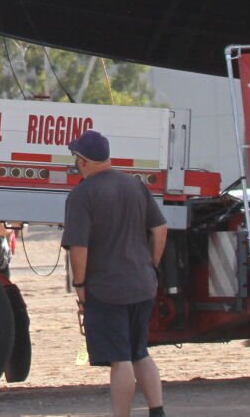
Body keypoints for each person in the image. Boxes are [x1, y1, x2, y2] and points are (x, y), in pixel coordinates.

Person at [61, 130, 168, 417]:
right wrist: (152, 266)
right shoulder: (135, 186)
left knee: (120, 360)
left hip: (107, 289)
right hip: (142, 283)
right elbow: (159, 229)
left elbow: (78, 249)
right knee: (140, 351)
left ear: (83, 160)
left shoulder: (82, 194)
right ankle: (157, 411)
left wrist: (80, 285)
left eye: (76, 156)